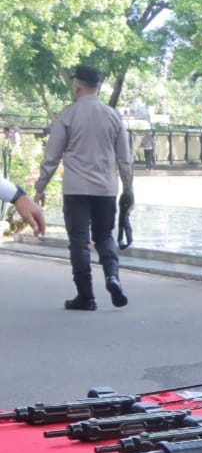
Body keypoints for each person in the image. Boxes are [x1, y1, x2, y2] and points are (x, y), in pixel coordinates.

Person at [34, 64, 133, 311]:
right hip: (106, 190)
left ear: (77, 86)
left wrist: (40, 186)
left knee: (79, 241)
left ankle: (86, 296)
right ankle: (112, 276)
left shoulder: (68, 115)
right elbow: (125, 159)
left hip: (76, 190)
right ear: (98, 87)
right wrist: (129, 189)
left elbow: (52, 155)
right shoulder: (113, 116)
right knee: (105, 236)